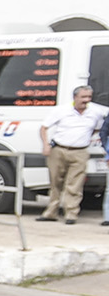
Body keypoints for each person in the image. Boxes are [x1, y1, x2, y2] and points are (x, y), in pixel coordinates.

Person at [38, 84, 106, 225]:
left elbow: (98, 128)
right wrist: (45, 145)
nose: (86, 100)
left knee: (75, 184)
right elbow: (44, 127)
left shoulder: (95, 112)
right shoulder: (61, 110)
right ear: (75, 97)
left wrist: (83, 137)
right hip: (59, 149)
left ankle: (71, 214)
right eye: (83, 97)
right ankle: (51, 212)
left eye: (89, 97)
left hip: (80, 151)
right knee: (55, 182)